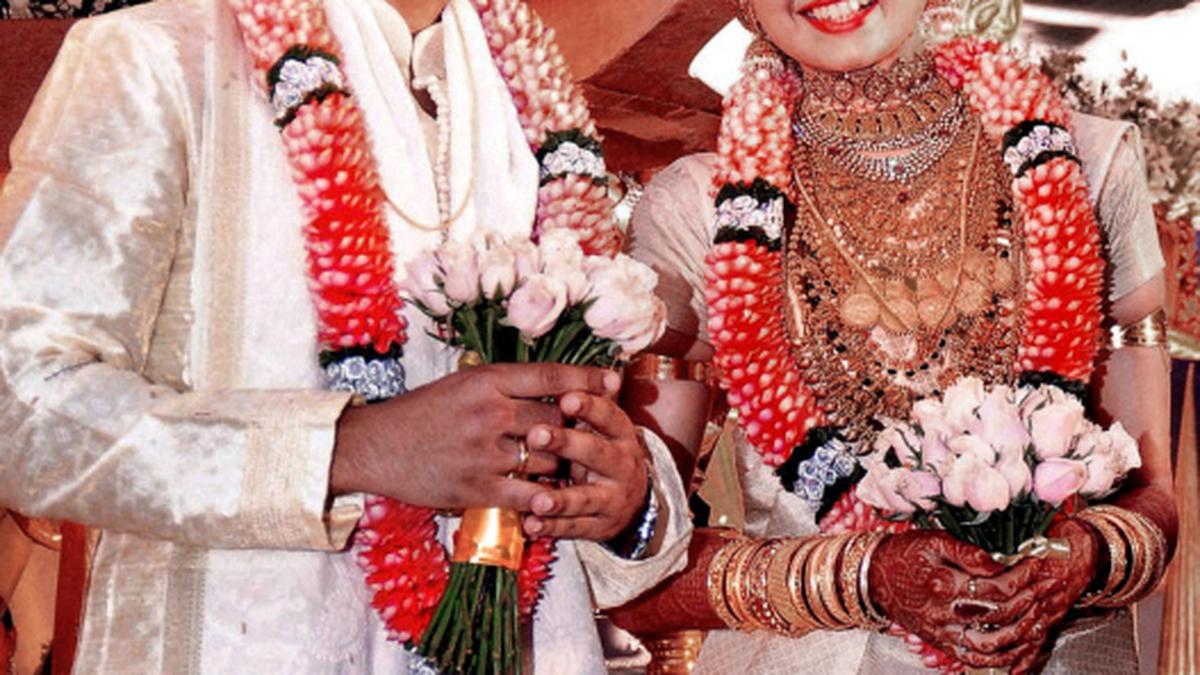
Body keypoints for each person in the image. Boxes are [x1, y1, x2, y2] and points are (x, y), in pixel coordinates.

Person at [0, 0, 692, 672]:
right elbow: (20, 407)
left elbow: (582, 445)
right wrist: (346, 447)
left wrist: (625, 498)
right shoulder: (158, 57)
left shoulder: (539, 111)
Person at [618, 0, 1178, 672]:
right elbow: (633, 569)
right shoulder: (698, 208)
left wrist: (1077, 556)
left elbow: (1154, 500)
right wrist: (861, 576)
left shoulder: (1087, 161)